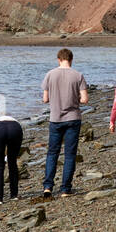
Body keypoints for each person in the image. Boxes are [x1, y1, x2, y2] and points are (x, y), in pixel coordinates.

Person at [41, 48, 88, 197]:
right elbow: (84, 99)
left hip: (55, 118)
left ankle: (48, 186)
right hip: (73, 117)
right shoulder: (78, 75)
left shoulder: (50, 74)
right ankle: (65, 188)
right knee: (70, 154)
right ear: (71, 59)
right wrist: (75, 99)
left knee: (52, 153)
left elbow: (45, 99)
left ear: (58, 59)